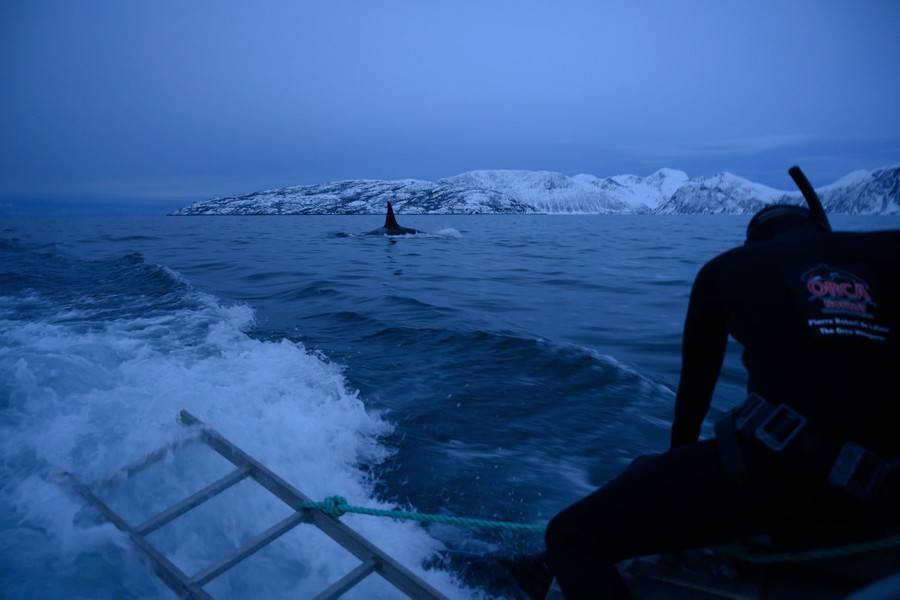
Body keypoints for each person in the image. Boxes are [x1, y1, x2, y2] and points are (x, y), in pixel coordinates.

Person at [543, 169, 900, 599]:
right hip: (887, 484)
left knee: (571, 534)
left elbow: (694, 397)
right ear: (821, 228)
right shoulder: (889, 248)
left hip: (783, 475)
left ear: (753, 242)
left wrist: (672, 478)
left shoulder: (727, 269)